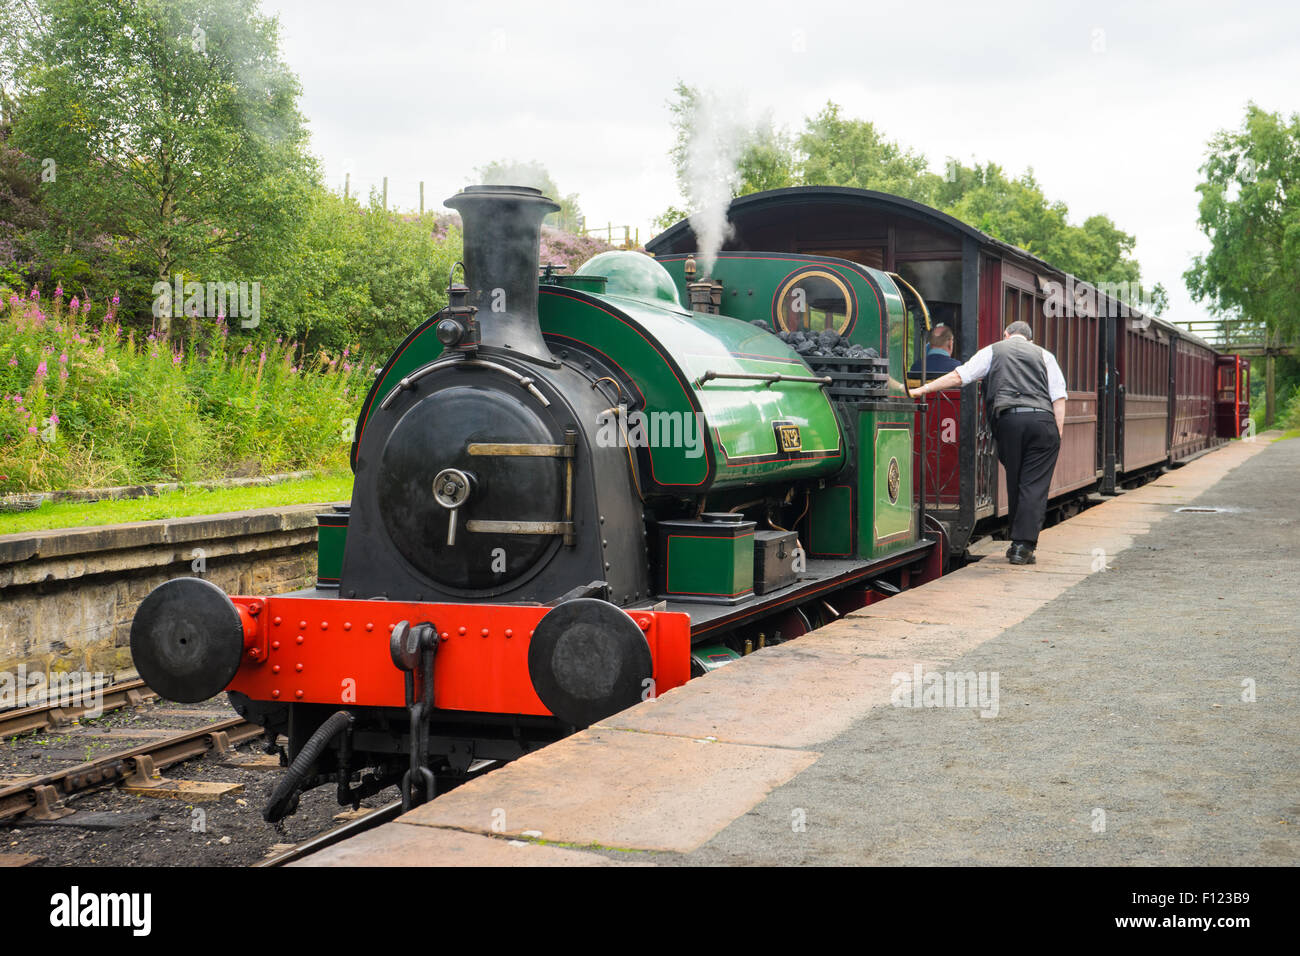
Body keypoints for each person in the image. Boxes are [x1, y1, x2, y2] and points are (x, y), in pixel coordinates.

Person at [909, 320, 1066, 565]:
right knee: (1033, 485)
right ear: (1030, 340)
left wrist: (923, 389)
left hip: (1009, 421)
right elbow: (1058, 397)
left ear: (1006, 335)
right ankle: (1022, 546)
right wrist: (1057, 434)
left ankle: (1018, 544)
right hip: (1043, 422)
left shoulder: (994, 349)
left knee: (1015, 481)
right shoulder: (1045, 355)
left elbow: (960, 376)